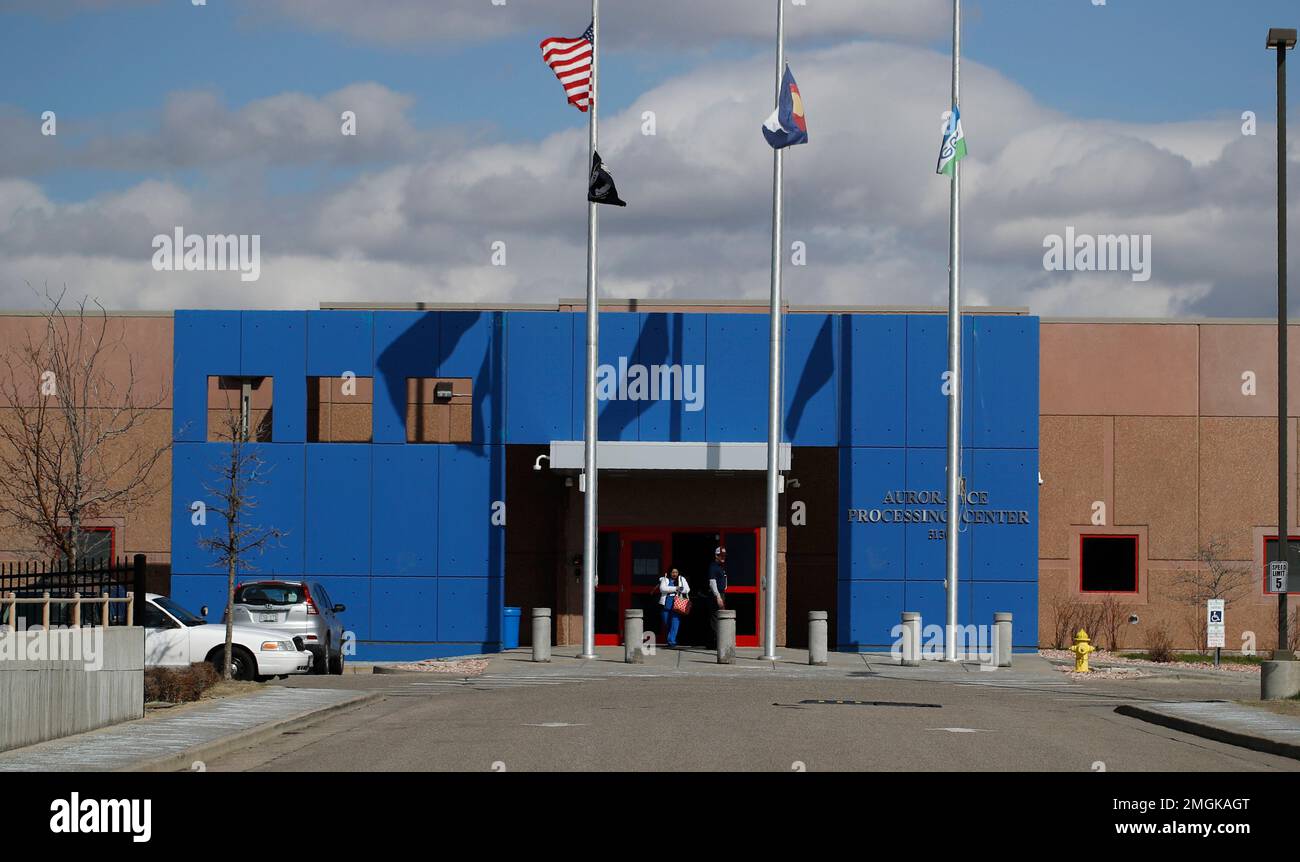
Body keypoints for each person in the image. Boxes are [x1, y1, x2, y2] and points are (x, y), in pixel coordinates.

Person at [658, 567, 690, 648]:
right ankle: (671, 640)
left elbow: (687, 589)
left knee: (675, 623)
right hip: (666, 604)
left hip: (677, 604)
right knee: (667, 623)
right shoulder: (665, 579)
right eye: (673, 572)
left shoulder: (681, 579)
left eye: (676, 572)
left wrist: (680, 589)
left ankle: (671, 641)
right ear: (670, 573)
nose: (674, 574)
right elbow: (662, 589)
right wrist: (676, 588)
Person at [707, 546, 728, 645]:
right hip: (717, 595)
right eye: (721, 555)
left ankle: (718, 641)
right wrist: (718, 596)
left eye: (724, 555)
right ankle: (714, 642)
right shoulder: (713, 566)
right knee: (716, 618)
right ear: (716, 555)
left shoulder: (720, 566)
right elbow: (712, 582)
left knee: (720, 617)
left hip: (722, 593)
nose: (723, 557)